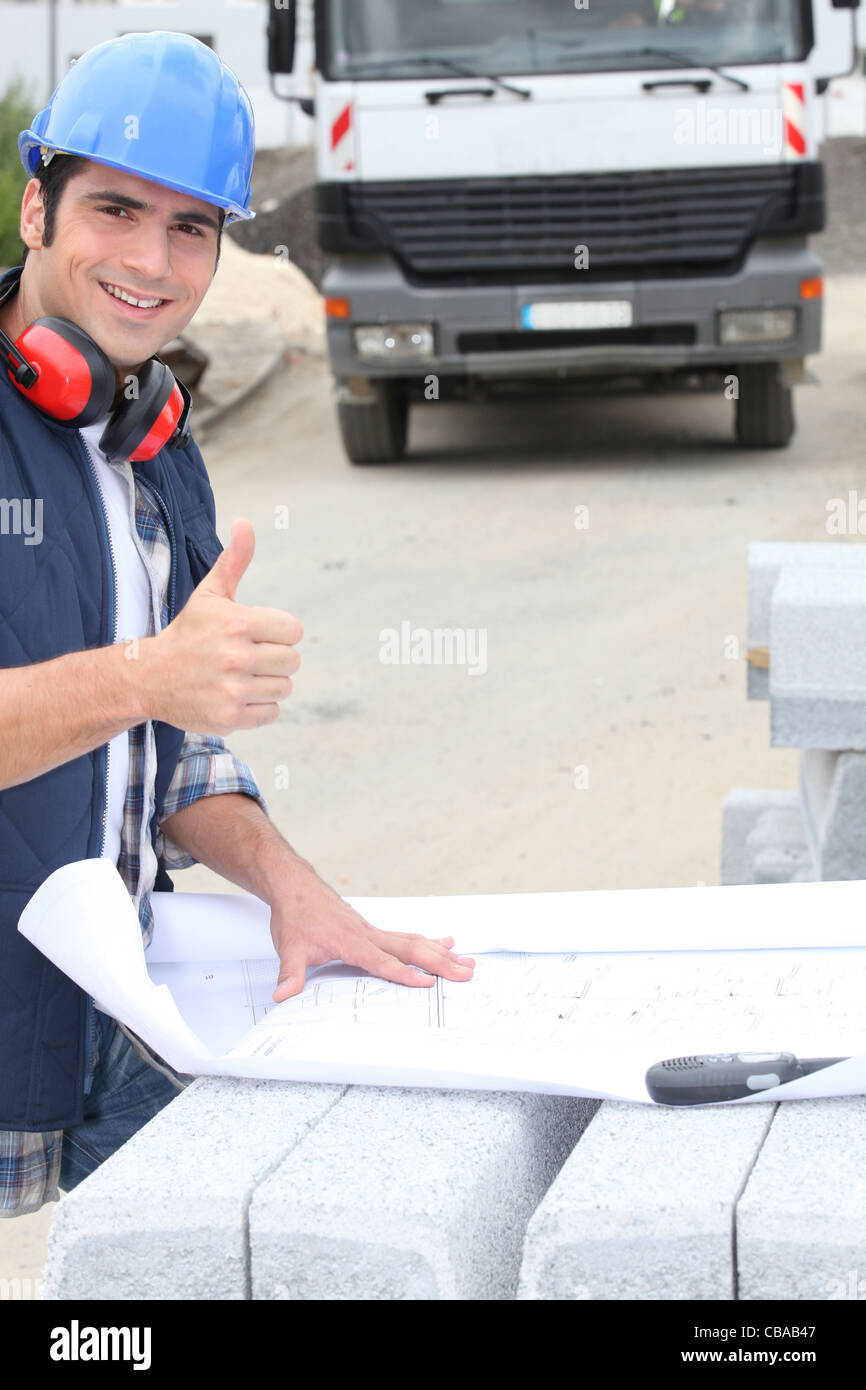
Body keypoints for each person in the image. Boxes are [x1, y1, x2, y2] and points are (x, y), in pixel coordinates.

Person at [0, 31, 475, 1217]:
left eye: (190, 228)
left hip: (107, 1000)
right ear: (34, 209)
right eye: (115, 209)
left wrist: (288, 887)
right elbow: (147, 689)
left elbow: (164, 752)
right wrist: (147, 677)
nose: (152, 262)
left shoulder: (151, 438)